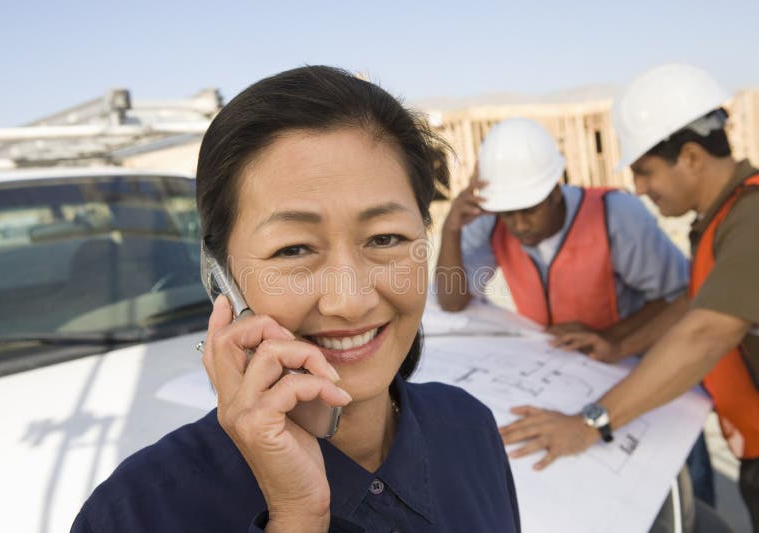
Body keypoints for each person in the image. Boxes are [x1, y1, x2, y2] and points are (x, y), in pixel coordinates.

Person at [70, 66, 520, 532]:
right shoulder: (137, 514)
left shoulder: (470, 430)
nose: (350, 302)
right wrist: (297, 516)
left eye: (385, 238)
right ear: (219, 277)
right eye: (293, 249)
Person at [499, 63, 759, 532]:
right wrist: (619, 343)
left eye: (645, 171)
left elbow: (706, 332)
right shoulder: (723, 220)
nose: (638, 188)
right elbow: (697, 302)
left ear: (693, 158)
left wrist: (589, 423)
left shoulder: (752, 219)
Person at [434, 117, 715, 504]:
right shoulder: (495, 223)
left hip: (650, 379)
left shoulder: (617, 217)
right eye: (507, 212)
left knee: (685, 494)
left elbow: (682, 298)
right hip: (574, 379)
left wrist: (615, 338)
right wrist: (452, 227)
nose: (518, 224)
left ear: (554, 189)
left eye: (527, 209)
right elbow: (451, 299)